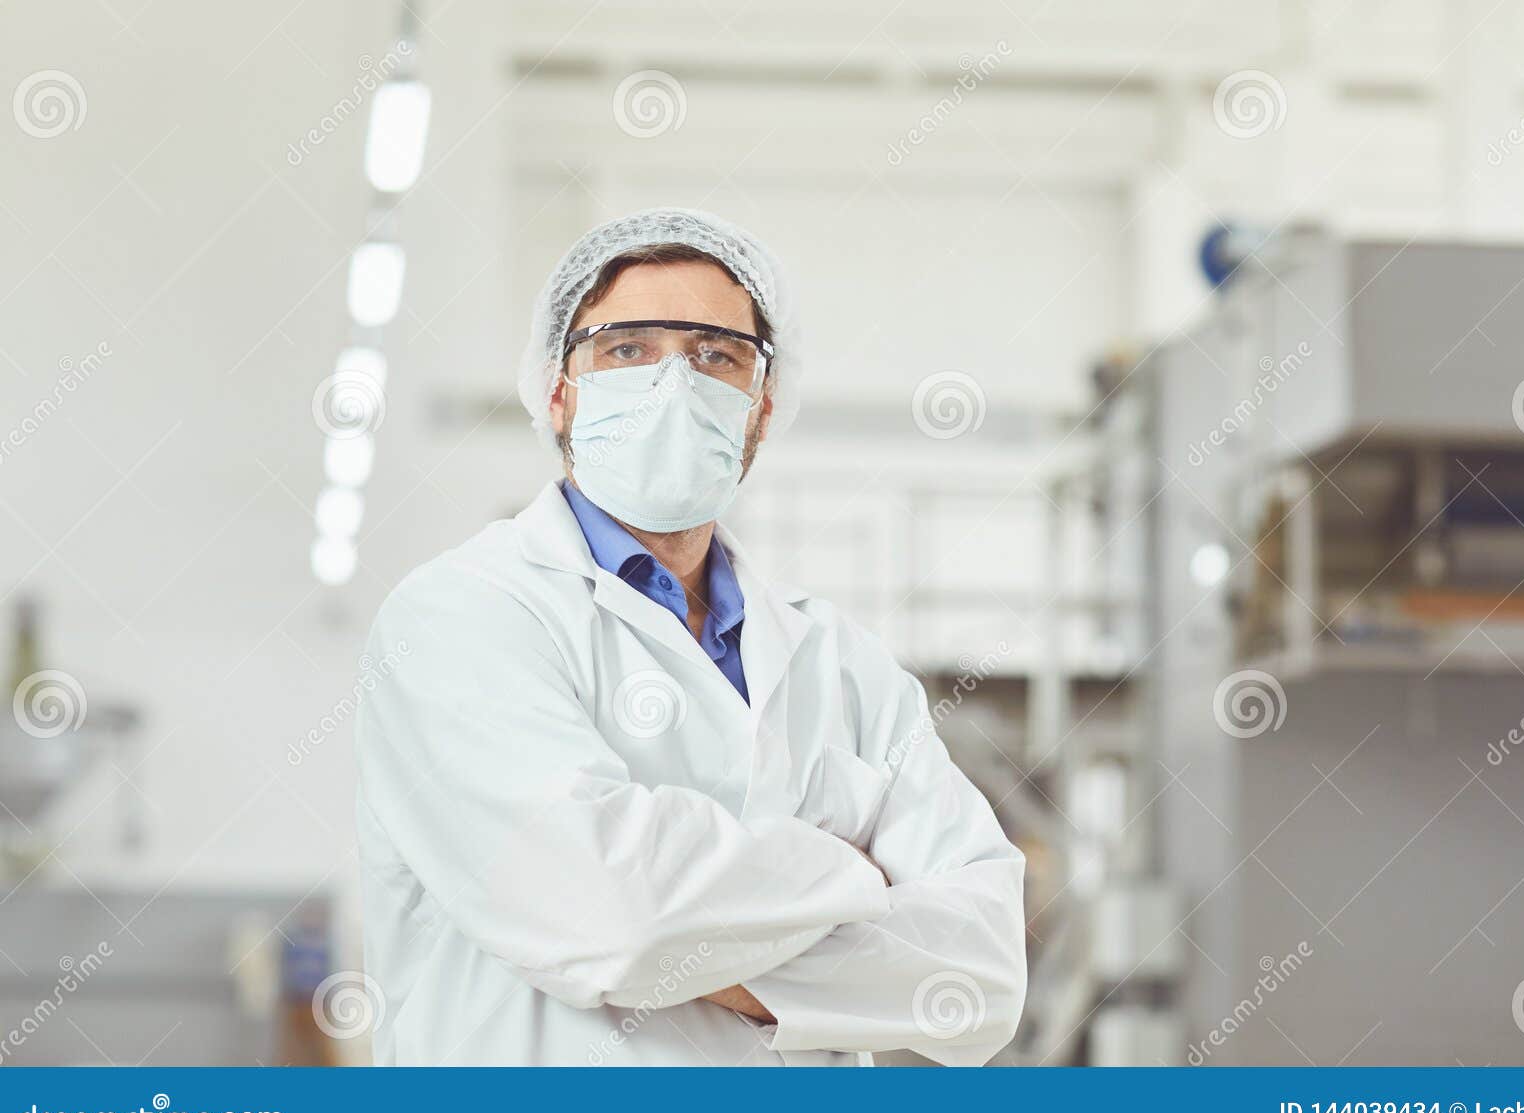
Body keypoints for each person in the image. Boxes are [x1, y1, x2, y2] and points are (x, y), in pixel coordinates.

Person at [355, 207, 1027, 1066]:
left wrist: (703, 933)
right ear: (558, 390)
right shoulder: (458, 618)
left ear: (760, 408)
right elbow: (612, 916)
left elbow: (980, 976)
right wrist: (858, 879)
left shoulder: (844, 663)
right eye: (627, 350)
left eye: (716, 356)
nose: (673, 384)